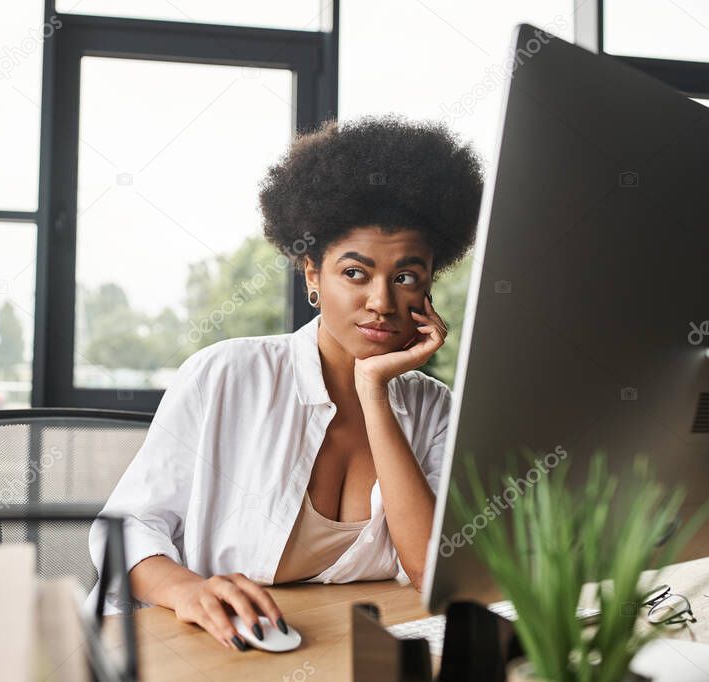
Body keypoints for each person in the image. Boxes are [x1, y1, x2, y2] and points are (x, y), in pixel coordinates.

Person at [88, 115, 483, 652]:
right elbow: (125, 526)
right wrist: (189, 591)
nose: (382, 302)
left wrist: (374, 392)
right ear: (312, 275)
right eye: (355, 272)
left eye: (406, 276)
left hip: (331, 649)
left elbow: (431, 571)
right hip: (188, 646)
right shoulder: (226, 375)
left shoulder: (432, 409)